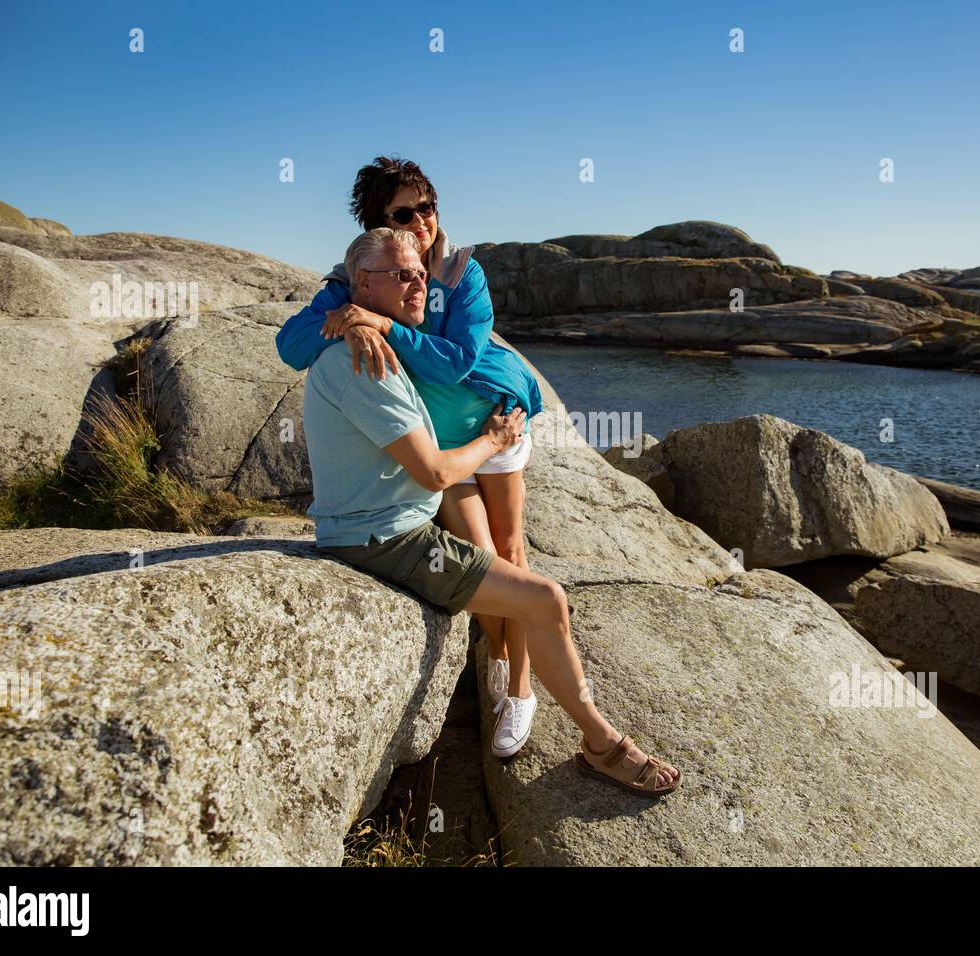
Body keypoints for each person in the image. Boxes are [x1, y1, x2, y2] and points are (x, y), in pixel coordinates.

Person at [304, 228, 680, 796]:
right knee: (545, 598)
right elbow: (433, 473)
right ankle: (601, 744)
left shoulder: (382, 342)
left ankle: (522, 690)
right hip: (382, 537)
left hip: (384, 525)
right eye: (401, 274)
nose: (417, 283)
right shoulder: (362, 360)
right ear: (360, 283)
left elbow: (456, 365)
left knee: (520, 575)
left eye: (419, 273)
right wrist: (496, 438)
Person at [277, 157, 539, 757]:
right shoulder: (360, 279)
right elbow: (292, 346)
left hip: (491, 416)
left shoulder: (462, 272)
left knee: (512, 551)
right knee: (479, 556)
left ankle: (518, 689)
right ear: (377, 222)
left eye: (427, 207)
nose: (421, 221)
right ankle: (494, 655)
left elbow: (455, 363)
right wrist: (350, 324)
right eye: (403, 212)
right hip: (439, 442)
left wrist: (384, 328)